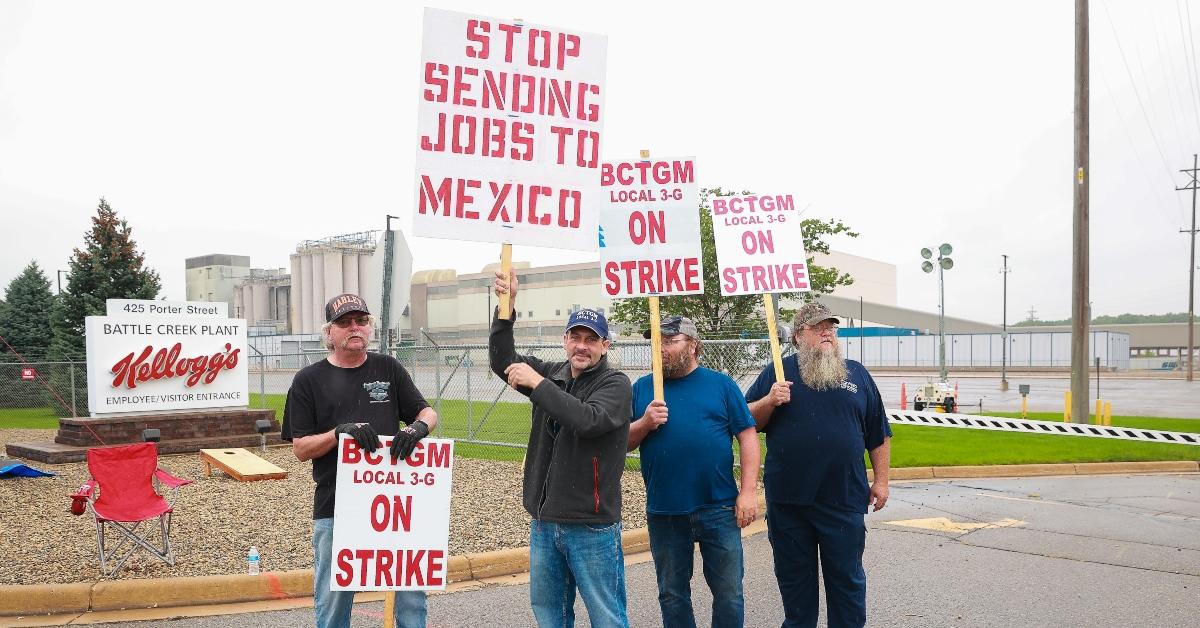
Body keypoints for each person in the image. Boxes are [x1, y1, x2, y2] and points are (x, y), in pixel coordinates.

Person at [281, 293, 439, 628]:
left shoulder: (389, 368)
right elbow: (300, 448)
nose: (355, 327)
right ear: (330, 333)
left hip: (396, 507)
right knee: (335, 597)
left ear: (369, 327)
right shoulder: (308, 381)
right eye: (345, 322)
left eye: (361, 320)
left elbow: (427, 411)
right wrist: (338, 433)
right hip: (336, 507)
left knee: (411, 594)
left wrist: (417, 429)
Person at [488, 270, 633, 628]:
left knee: (607, 616)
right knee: (550, 616)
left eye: (591, 339)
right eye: (575, 337)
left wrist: (537, 383)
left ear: (605, 346)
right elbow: (501, 360)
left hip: (591, 526)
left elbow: (588, 420)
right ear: (564, 339)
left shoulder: (616, 384)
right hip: (544, 522)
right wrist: (506, 310)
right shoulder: (553, 374)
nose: (582, 346)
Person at [744, 302, 892, 628]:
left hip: (843, 499)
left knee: (847, 583)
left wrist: (881, 482)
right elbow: (745, 423)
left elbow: (878, 433)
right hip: (789, 504)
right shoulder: (778, 373)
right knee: (796, 587)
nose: (826, 332)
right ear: (798, 337)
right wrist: (769, 401)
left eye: (830, 327)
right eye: (817, 327)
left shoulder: (856, 374)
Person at [627, 315, 761, 628]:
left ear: (693, 345)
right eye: (657, 343)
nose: (661, 349)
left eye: (670, 341)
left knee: (729, 592)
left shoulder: (721, 385)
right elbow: (624, 444)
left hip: (719, 507)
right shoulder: (643, 388)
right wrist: (645, 423)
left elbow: (748, 436)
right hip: (665, 510)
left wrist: (749, 491)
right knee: (672, 594)